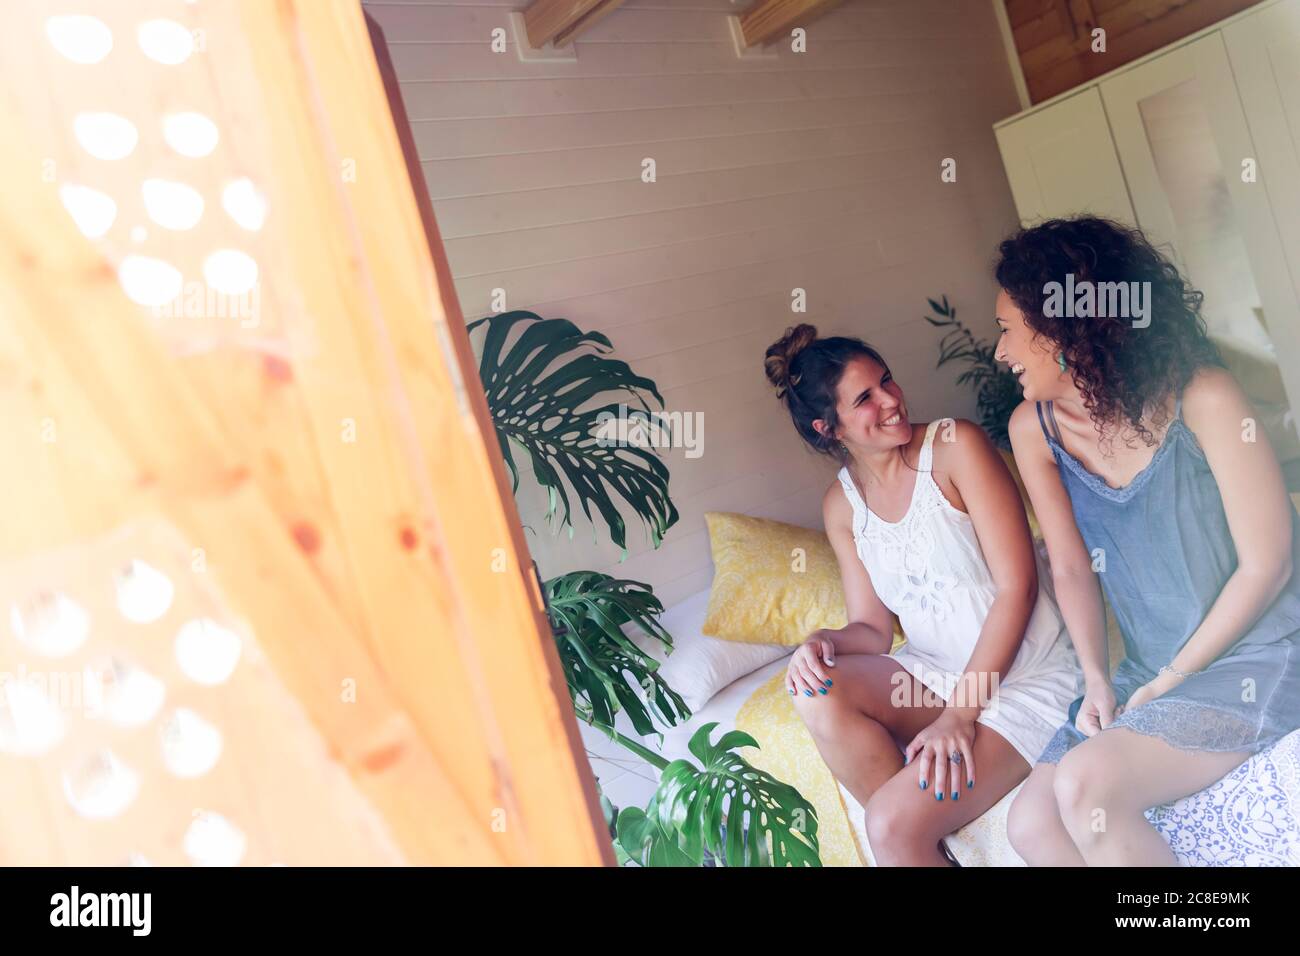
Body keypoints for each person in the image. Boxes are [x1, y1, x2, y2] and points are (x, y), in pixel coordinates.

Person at [995, 216, 1300, 865]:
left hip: (1255, 654)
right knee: (1028, 824)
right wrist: (1099, 679)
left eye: (1007, 329)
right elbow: (1072, 569)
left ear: (1060, 328)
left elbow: (1267, 564)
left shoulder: (1206, 397)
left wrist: (1171, 680)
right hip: (1145, 665)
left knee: (1085, 784)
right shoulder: (1034, 430)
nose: (1001, 352)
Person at [763, 324, 1080, 865]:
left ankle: (912, 827)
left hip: (1025, 675)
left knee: (886, 827)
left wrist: (958, 717)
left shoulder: (956, 447)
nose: (891, 399)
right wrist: (822, 640)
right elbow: (873, 629)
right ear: (829, 428)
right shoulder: (842, 507)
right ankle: (929, 834)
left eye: (886, 380)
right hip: (934, 674)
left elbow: (1018, 588)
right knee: (814, 688)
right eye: (865, 398)